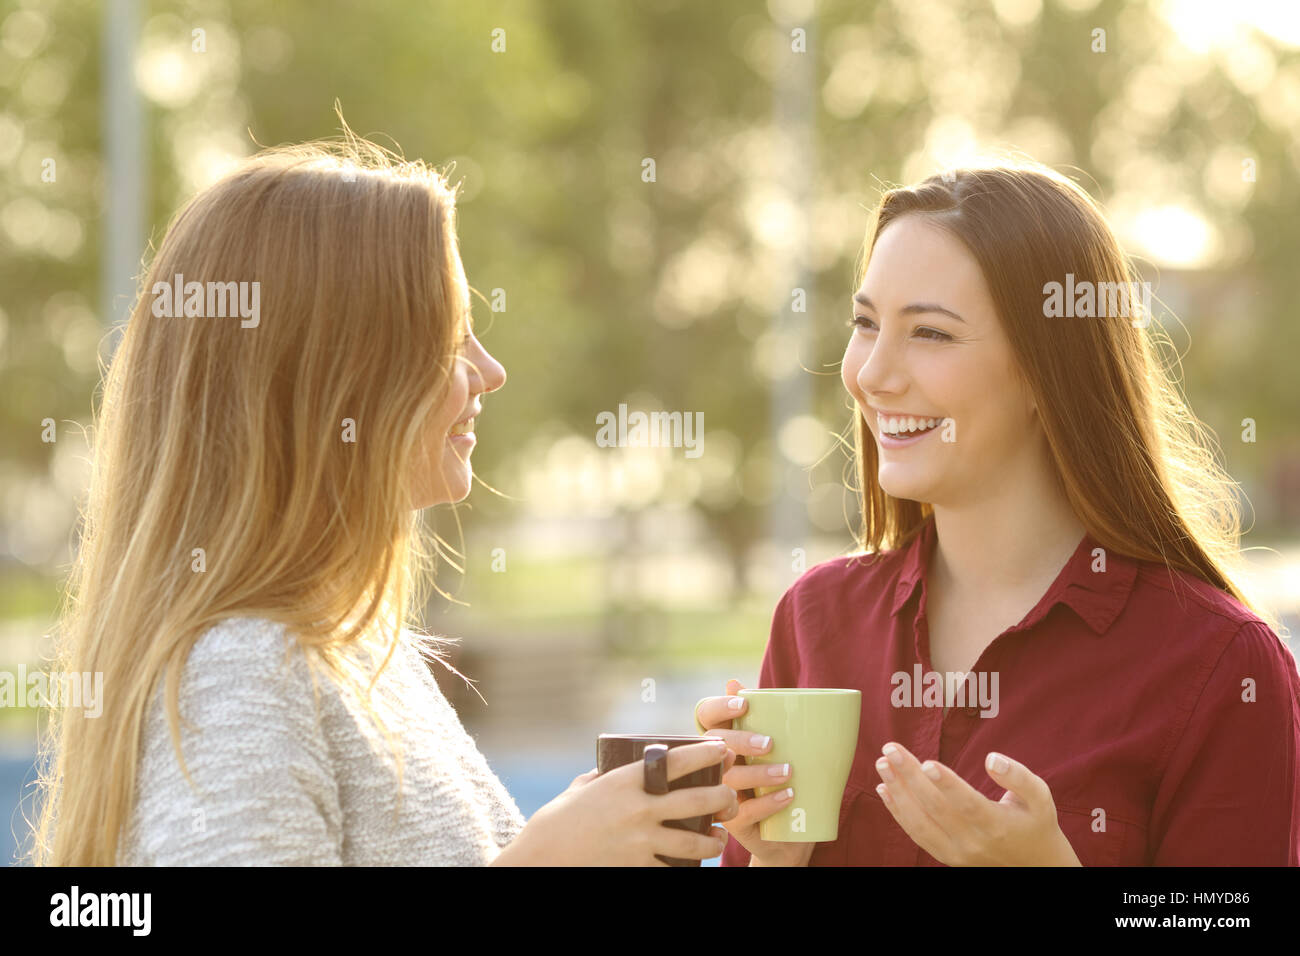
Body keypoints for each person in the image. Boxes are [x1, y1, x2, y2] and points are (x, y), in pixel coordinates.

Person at [27, 131, 738, 866]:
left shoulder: (360, 655)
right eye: (449, 337)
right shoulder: (241, 670)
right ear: (333, 380)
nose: (489, 372)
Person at [700, 161, 1300, 866]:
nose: (872, 373)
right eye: (866, 324)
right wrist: (771, 863)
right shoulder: (815, 621)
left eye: (930, 333)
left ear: (1049, 371)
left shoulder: (1221, 665)